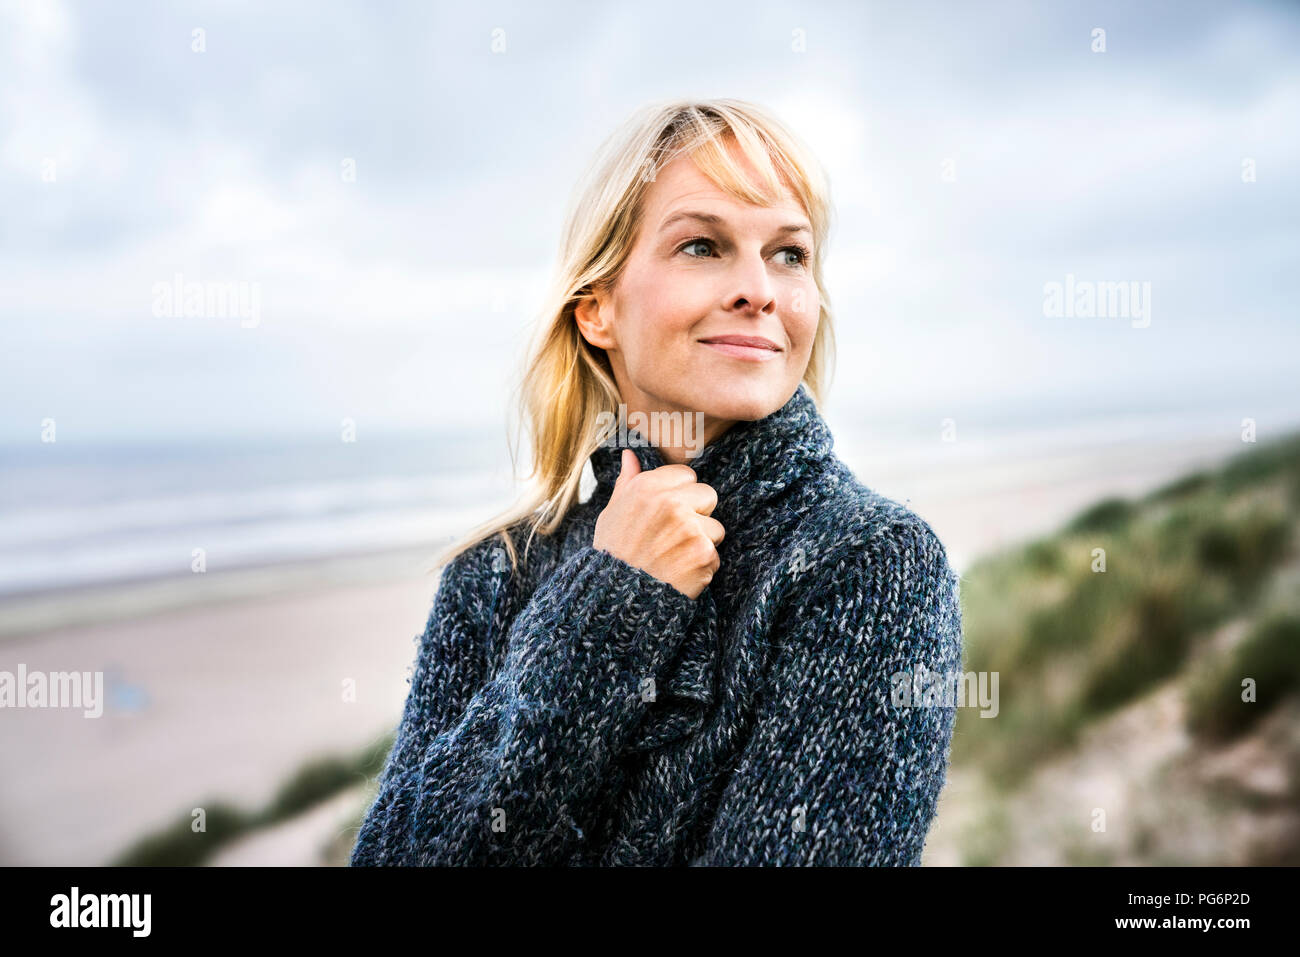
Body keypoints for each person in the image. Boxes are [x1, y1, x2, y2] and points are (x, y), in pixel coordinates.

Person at [349, 98, 964, 866]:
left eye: (789, 254)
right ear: (597, 309)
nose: (759, 289)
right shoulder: (495, 570)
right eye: (703, 245)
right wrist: (607, 603)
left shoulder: (871, 563)